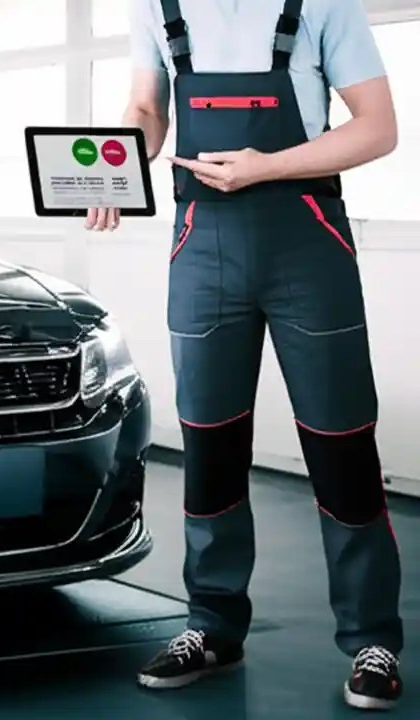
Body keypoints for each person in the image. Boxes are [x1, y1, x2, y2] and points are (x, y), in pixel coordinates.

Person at [87, 0, 404, 711]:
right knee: (211, 444)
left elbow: (377, 128)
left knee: (341, 442)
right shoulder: (157, 7)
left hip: (308, 243)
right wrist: (113, 163)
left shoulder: (323, 3)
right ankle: (212, 626)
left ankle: (371, 638)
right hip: (203, 248)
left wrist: (268, 167)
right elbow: (145, 108)